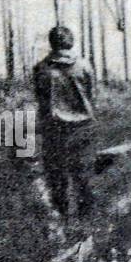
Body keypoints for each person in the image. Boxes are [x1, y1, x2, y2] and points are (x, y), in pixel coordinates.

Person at [33, 25, 96, 218]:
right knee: (83, 175)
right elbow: (91, 95)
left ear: (52, 43)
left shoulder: (41, 68)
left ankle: (63, 218)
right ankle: (87, 221)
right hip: (82, 126)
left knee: (57, 178)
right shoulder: (84, 65)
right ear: (71, 42)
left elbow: (41, 99)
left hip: (54, 129)